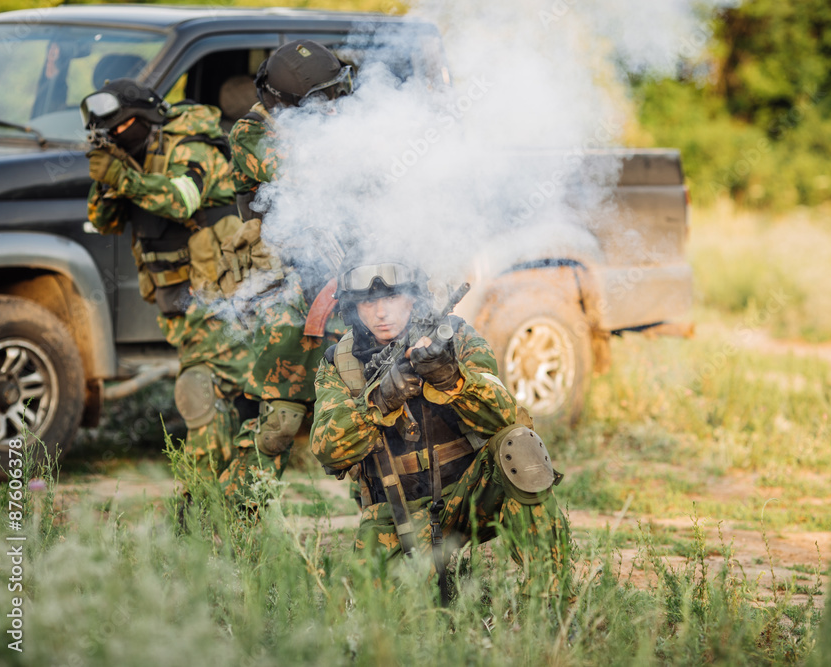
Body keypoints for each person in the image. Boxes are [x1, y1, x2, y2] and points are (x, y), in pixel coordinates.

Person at [309, 255, 570, 595]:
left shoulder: (455, 335)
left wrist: (452, 379)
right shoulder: (340, 363)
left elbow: (507, 416)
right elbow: (327, 451)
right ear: (353, 308)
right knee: (391, 620)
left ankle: (551, 601)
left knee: (518, 445)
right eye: (369, 302)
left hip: (474, 490)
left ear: (413, 296)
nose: (382, 312)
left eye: (392, 297)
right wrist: (380, 401)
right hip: (399, 507)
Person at [81, 78, 257, 483]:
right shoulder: (130, 158)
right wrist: (107, 181)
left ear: (145, 119)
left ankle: (202, 497)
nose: (117, 138)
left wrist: (124, 179)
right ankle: (235, 489)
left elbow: (182, 200)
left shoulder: (190, 146)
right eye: (109, 134)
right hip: (176, 297)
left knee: (200, 389)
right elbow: (103, 222)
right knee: (219, 393)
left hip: (215, 293)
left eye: (122, 128)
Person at [218, 40, 354, 505]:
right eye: (324, 101)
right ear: (290, 103)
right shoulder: (251, 134)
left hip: (347, 288)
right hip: (291, 296)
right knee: (279, 424)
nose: (336, 111)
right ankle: (235, 525)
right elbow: (302, 176)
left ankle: (392, 533)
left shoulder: (330, 132)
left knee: (375, 411)